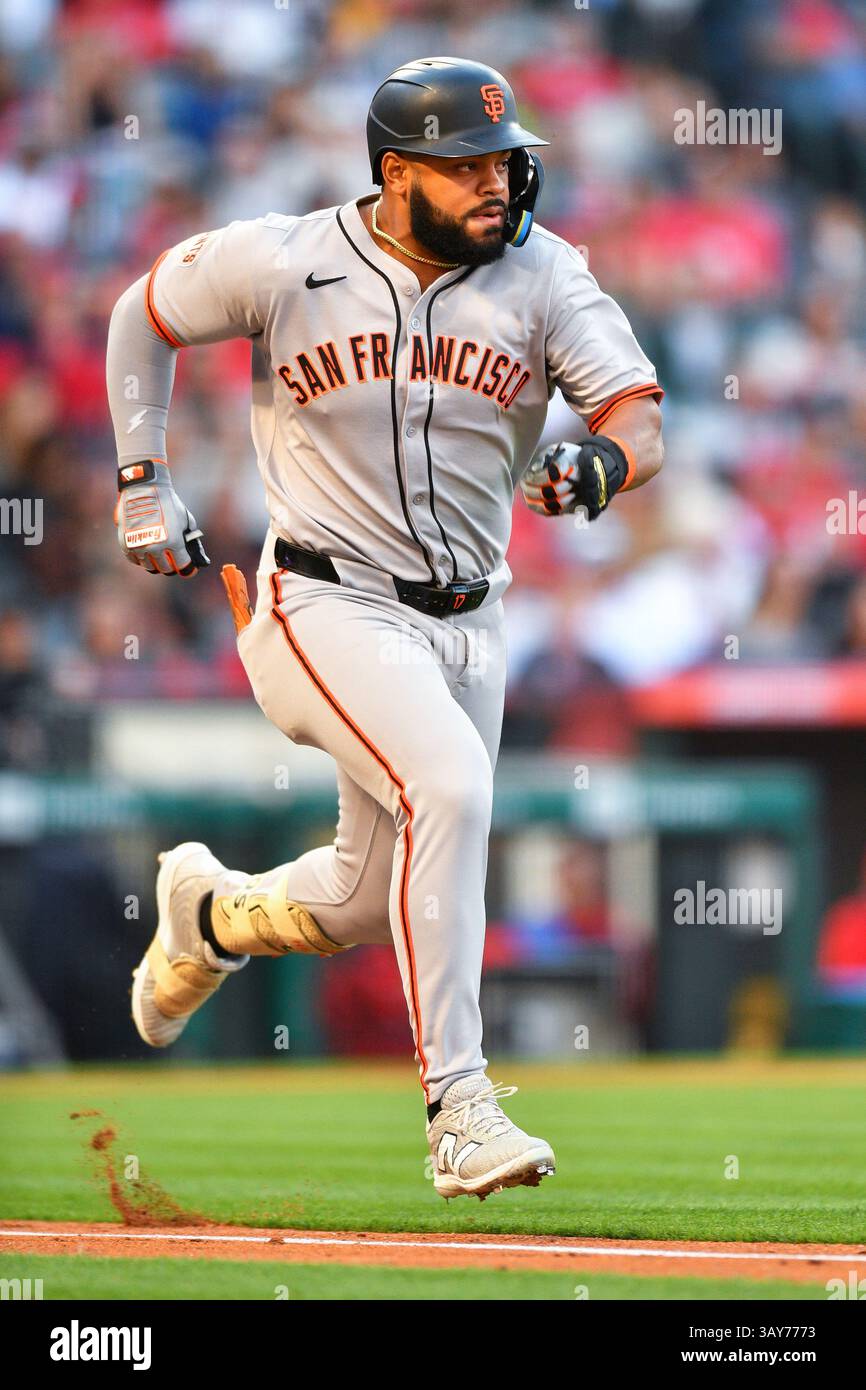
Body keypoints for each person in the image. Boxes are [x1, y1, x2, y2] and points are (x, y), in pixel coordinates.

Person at [105, 56, 664, 1200]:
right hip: (320, 596)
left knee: (370, 895)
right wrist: (139, 471)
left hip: (471, 620)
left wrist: (600, 462)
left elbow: (637, 414)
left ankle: (207, 914)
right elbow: (140, 311)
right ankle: (458, 1106)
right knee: (450, 788)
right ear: (396, 170)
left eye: (507, 163)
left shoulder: (546, 275)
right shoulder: (290, 258)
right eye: (467, 167)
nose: (497, 186)